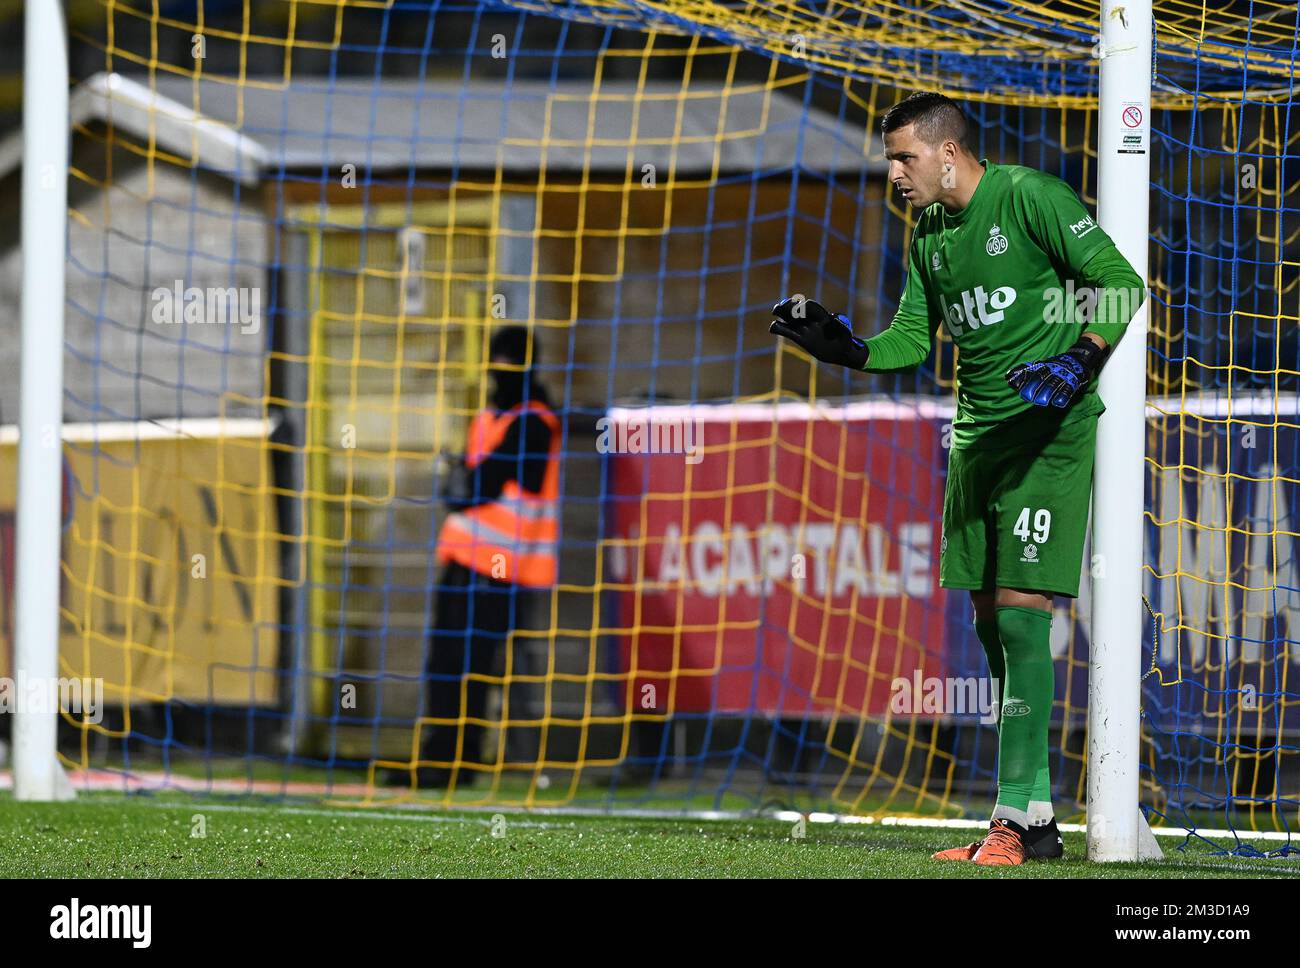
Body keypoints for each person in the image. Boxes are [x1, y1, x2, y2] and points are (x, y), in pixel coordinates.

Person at [768, 92, 1144, 864]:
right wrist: (849, 351)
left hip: (1048, 431)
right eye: (891, 160)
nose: (895, 175)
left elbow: (1119, 280)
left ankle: (1007, 821)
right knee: (987, 625)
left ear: (947, 153)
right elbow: (913, 337)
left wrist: (1080, 357)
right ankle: (1037, 820)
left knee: (1016, 613)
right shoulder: (931, 234)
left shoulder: (1029, 197)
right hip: (977, 440)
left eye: (903, 158)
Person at [396, 325, 560, 790]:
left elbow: (478, 485)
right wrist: (466, 482)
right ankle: (442, 760)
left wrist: (465, 480)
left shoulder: (534, 421)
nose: (500, 371)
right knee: (447, 665)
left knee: (470, 667)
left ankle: (455, 763)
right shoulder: (492, 417)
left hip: (501, 570)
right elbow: (469, 486)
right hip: (464, 562)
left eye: (508, 361)